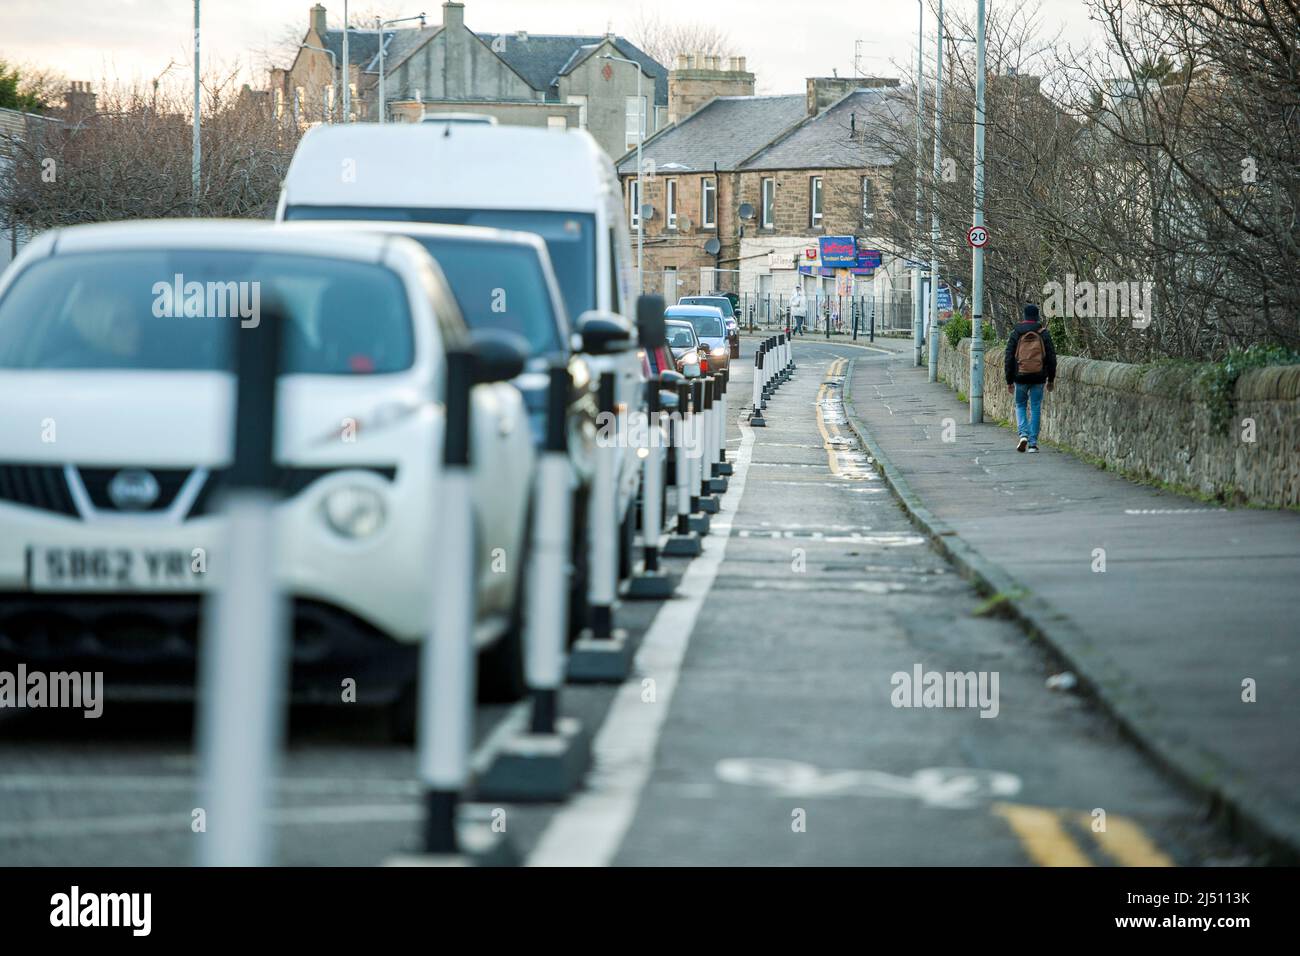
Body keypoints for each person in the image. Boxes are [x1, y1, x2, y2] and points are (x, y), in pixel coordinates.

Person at [1004, 303, 1057, 453]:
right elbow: (1052, 358)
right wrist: (1051, 379)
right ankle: (1033, 444)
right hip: (1039, 377)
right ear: (1037, 316)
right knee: (1035, 408)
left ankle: (1023, 435)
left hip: (1020, 376)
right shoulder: (1043, 333)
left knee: (1020, 405)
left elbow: (1008, 357)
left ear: (1025, 316)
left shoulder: (1016, 333)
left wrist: (1009, 380)